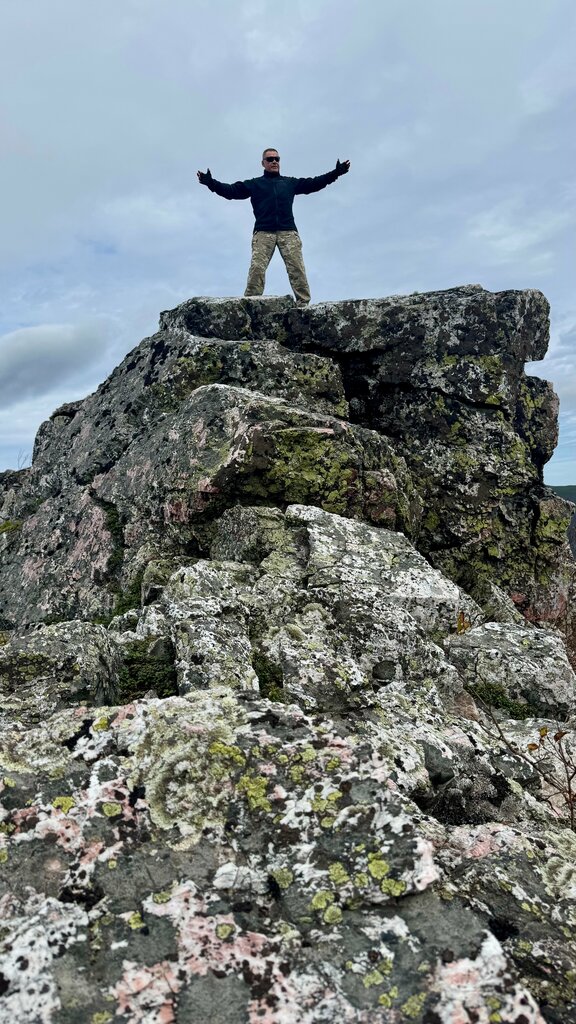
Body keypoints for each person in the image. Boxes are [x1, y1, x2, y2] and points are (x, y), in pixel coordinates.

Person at [197, 148, 350, 305]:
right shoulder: (254, 184)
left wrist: (336, 173)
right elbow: (231, 191)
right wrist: (210, 183)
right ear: (263, 163)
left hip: (288, 232)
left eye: (277, 159)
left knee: (297, 268)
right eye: (270, 159)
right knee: (257, 269)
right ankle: (251, 305)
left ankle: (303, 305)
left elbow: (314, 183)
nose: (274, 161)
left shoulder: (289, 183)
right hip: (263, 233)